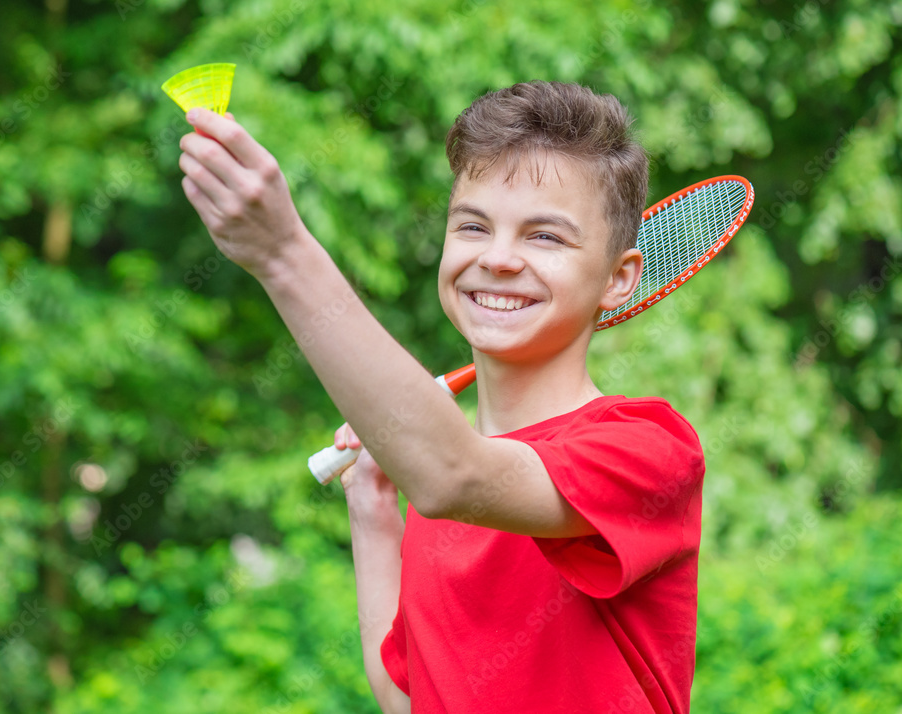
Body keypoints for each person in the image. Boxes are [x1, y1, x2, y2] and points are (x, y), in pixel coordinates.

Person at [177, 80, 705, 713]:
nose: (499, 258)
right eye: (474, 226)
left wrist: (284, 255)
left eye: (545, 237)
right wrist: (372, 506)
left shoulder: (649, 447)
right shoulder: (438, 489)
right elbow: (409, 698)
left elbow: (456, 475)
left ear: (619, 278)